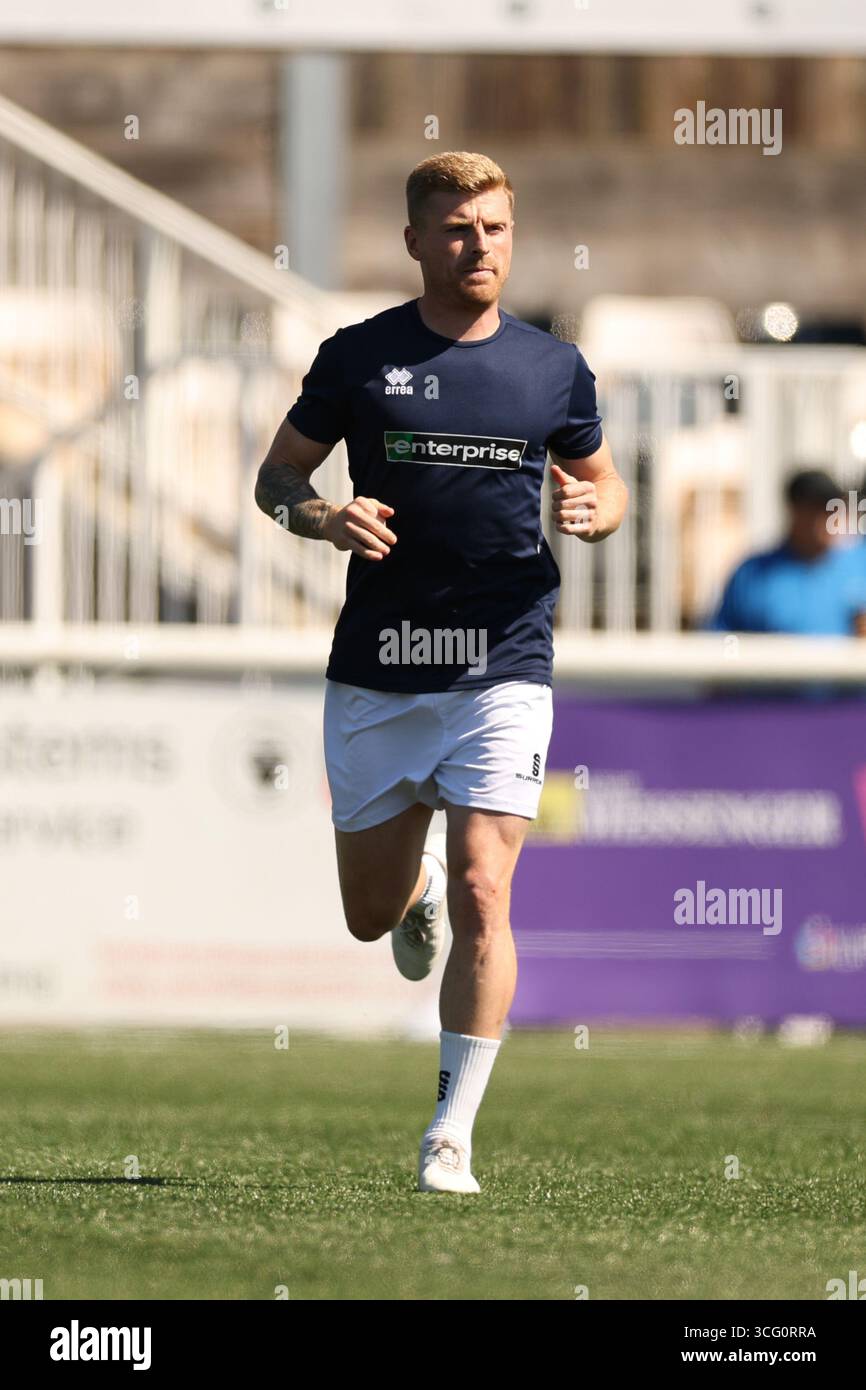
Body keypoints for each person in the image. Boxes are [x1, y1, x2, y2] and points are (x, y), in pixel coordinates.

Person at [254, 151, 627, 1193]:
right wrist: (321, 513)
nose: (480, 247)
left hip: (503, 662)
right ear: (415, 240)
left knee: (486, 886)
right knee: (371, 915)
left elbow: (604, 483)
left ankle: (449, 1134)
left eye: (496, 228)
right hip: (378, 669)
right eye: (458, 229)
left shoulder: (554, 369)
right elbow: (274, 476)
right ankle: (403, 890)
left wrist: (599, 511)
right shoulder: (357, 357)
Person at [711, 468, 866, 636]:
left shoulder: (859, 563)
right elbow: (720, 639)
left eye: (835, 508)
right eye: (820, 508)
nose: (831, 516)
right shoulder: (752, 574)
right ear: (794, 510)